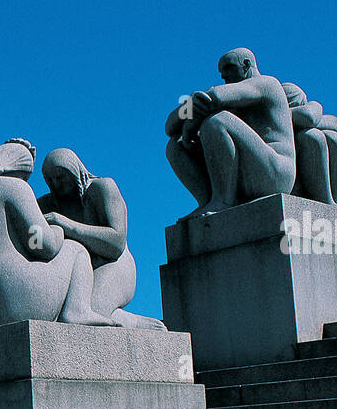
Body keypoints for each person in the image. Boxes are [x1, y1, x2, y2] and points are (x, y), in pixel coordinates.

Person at [0, 138, 116, 332]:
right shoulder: (14, 187)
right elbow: (43, 246)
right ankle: (78, 310)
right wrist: (57, 229)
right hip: (12, 302)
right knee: (76, 249)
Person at [38, 148, 166, 329]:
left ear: (74, 171)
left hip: (114, 263)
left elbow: (116, 242)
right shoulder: (47, 204)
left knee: (88, 312)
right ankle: (124, 319)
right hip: (80, 272)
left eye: (61, 177)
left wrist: (65, 224)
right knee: (64, 313)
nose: (56, 184)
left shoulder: (102, 188)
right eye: (49, 180)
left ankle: (140, 325)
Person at [165, 47, 296, 218]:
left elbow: (215, 97)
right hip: (249, 171)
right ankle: (207, 201)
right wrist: (189, 108)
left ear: (246, 65)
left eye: (228, 68)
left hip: (276, 173)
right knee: (175, 145)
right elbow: (169, 127)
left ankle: (223, 201)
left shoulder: (268, 84)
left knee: (217, 120)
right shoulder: (234, 99)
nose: (223, 76)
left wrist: (190, 125)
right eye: (221, 71)